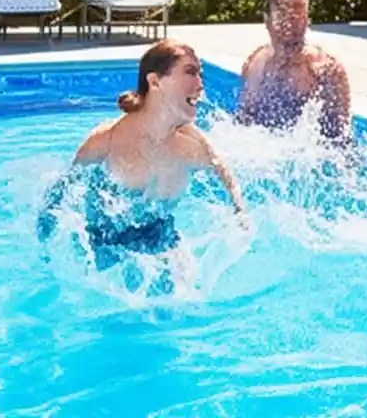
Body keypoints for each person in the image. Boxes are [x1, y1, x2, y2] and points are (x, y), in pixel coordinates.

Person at [37, 39, 247, 291]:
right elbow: (61, 193)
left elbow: (222, 173)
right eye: (190, 72)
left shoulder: (192, 147)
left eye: (200, 74)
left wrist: (239, 212)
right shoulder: (106, 142)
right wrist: (46, 248)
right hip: (106, 244)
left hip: (160, 235)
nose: (200, 84)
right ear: (155, 81)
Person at [236, 0, 352, 145]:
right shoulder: (254, 62)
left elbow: (340, 139)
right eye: (284, 16)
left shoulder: (325, 70)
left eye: (299, 18)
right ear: (267, 20)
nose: (292, 25)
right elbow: (241, 123)